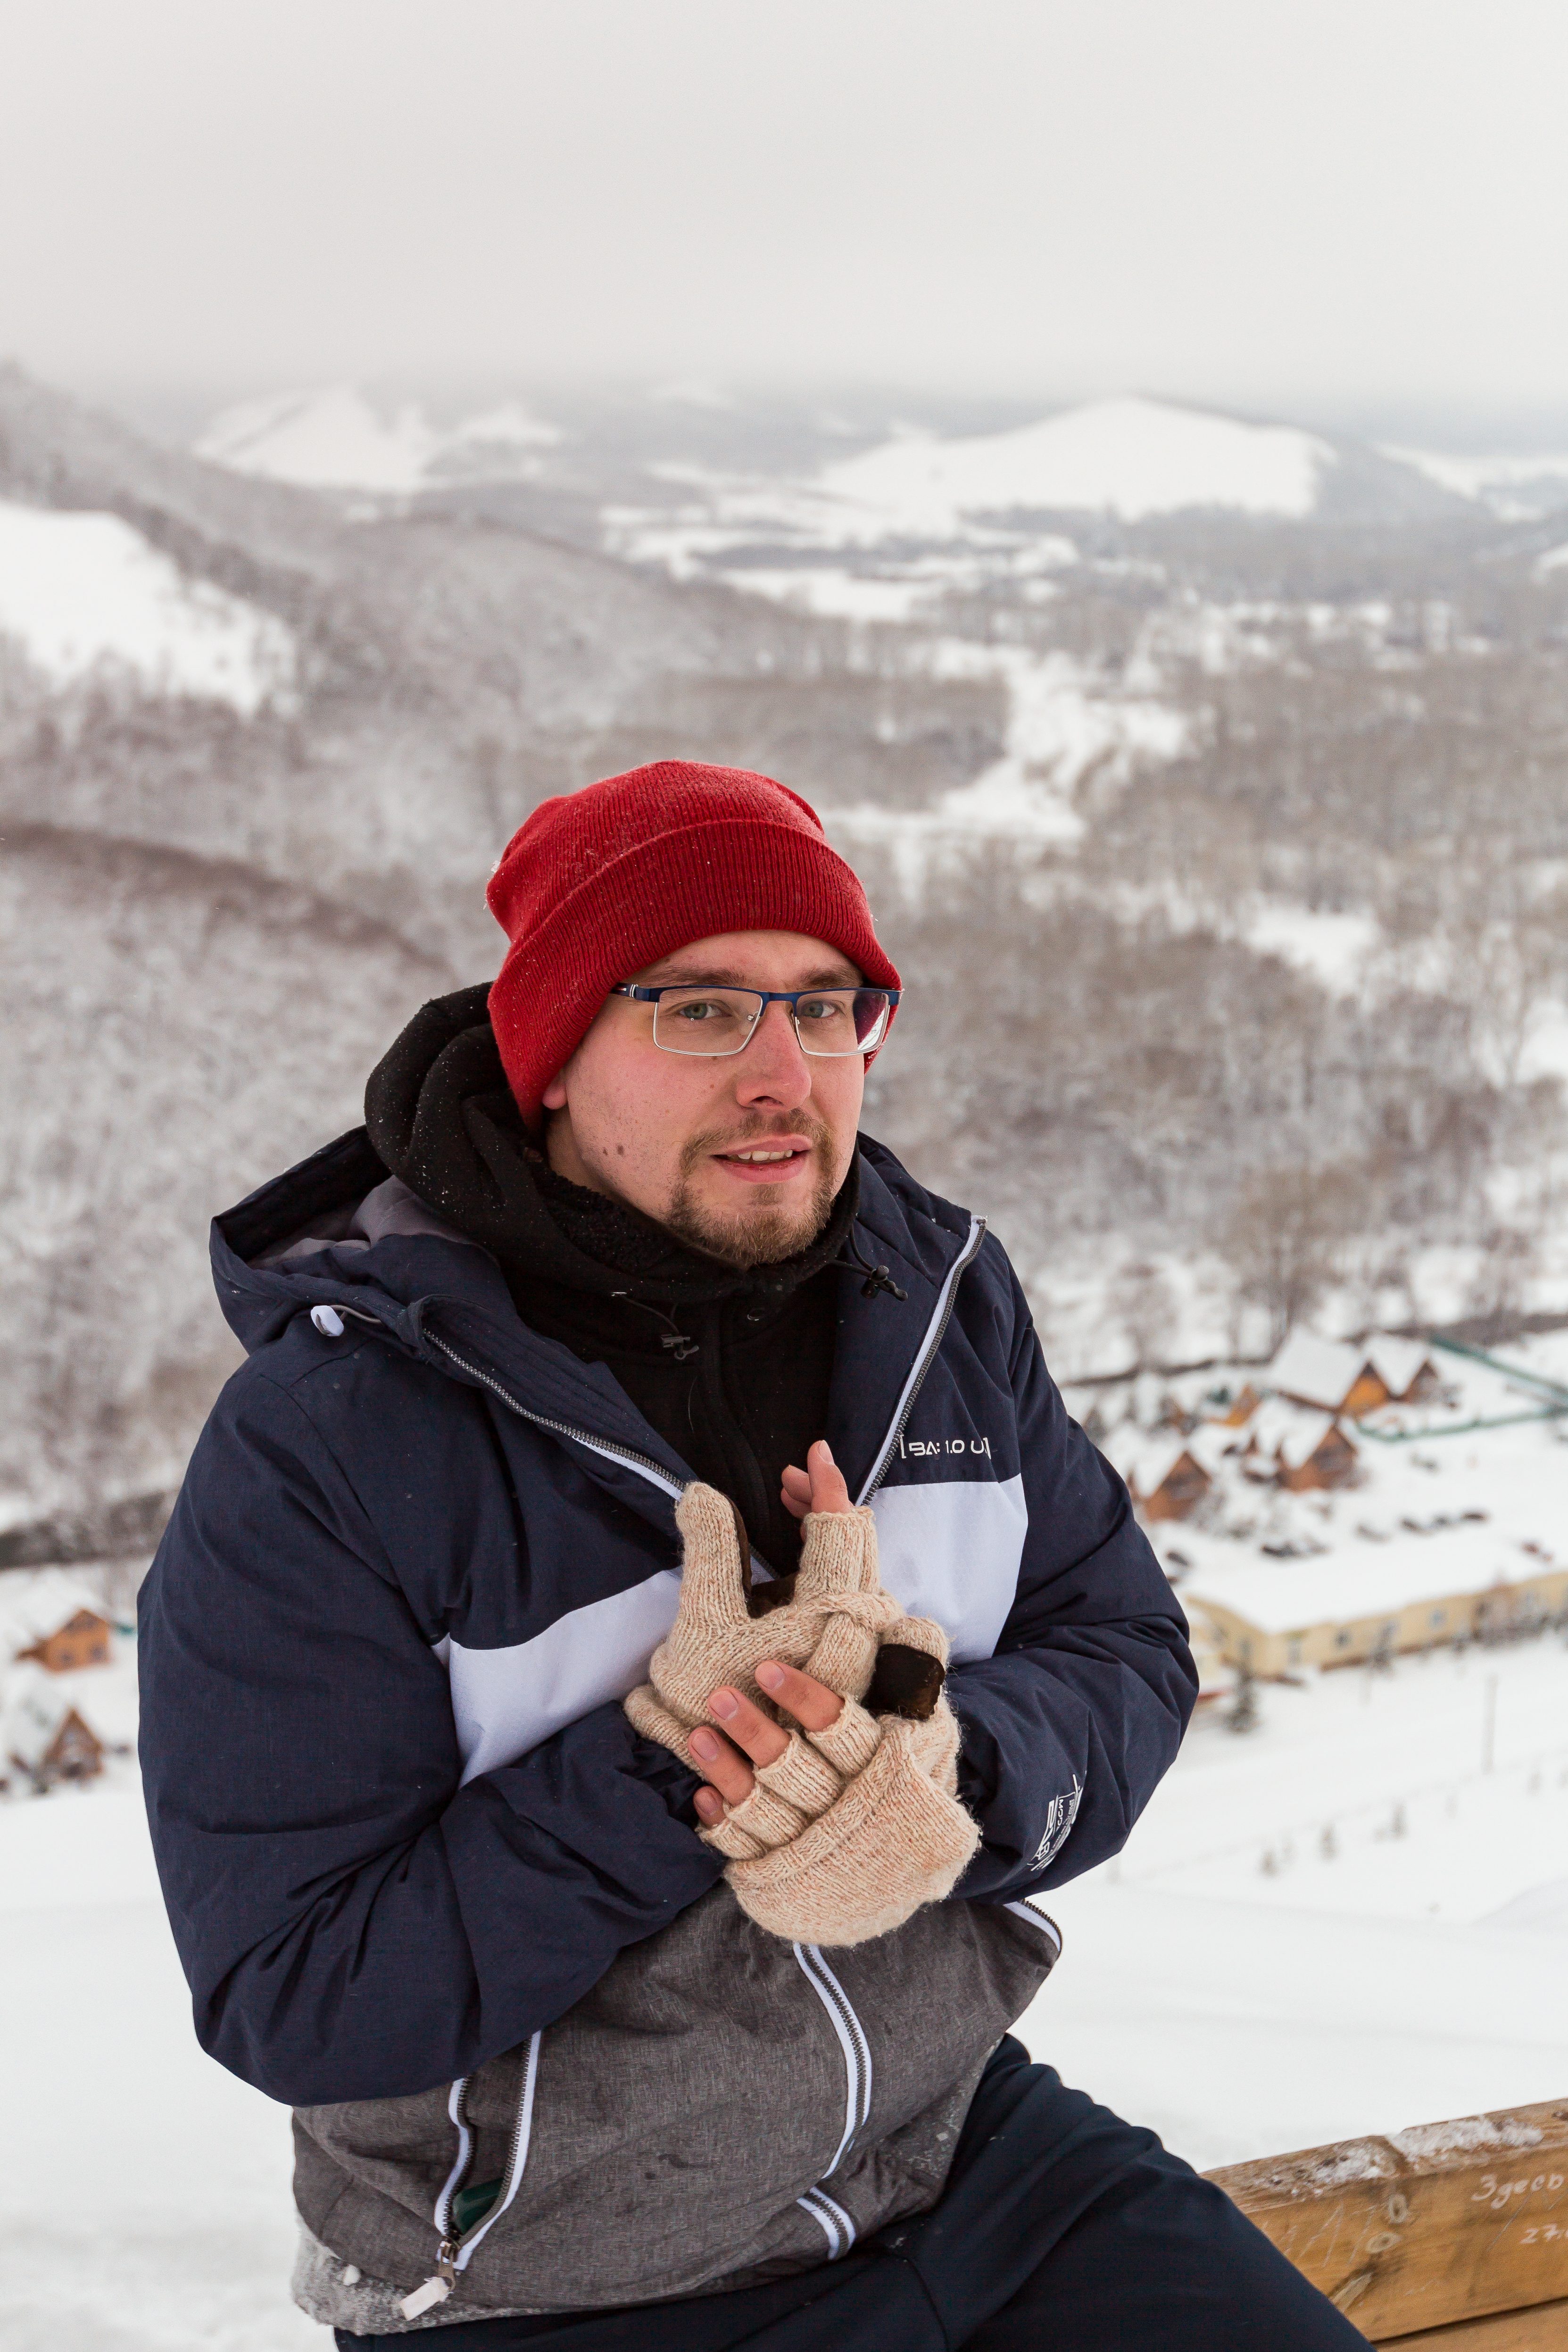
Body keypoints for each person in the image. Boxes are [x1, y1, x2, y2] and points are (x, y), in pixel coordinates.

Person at [140, 760, 1364, 2348]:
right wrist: (681, 1768)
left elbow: (1127, 1646)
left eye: (829, 1004)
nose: (787, 1070)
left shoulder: (939, 1308)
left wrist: (953, 1774)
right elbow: (293, 1990)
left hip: (961, 2153)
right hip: (553, 2273)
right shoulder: (336, 1444)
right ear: (555, 1056)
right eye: (702, 1007)